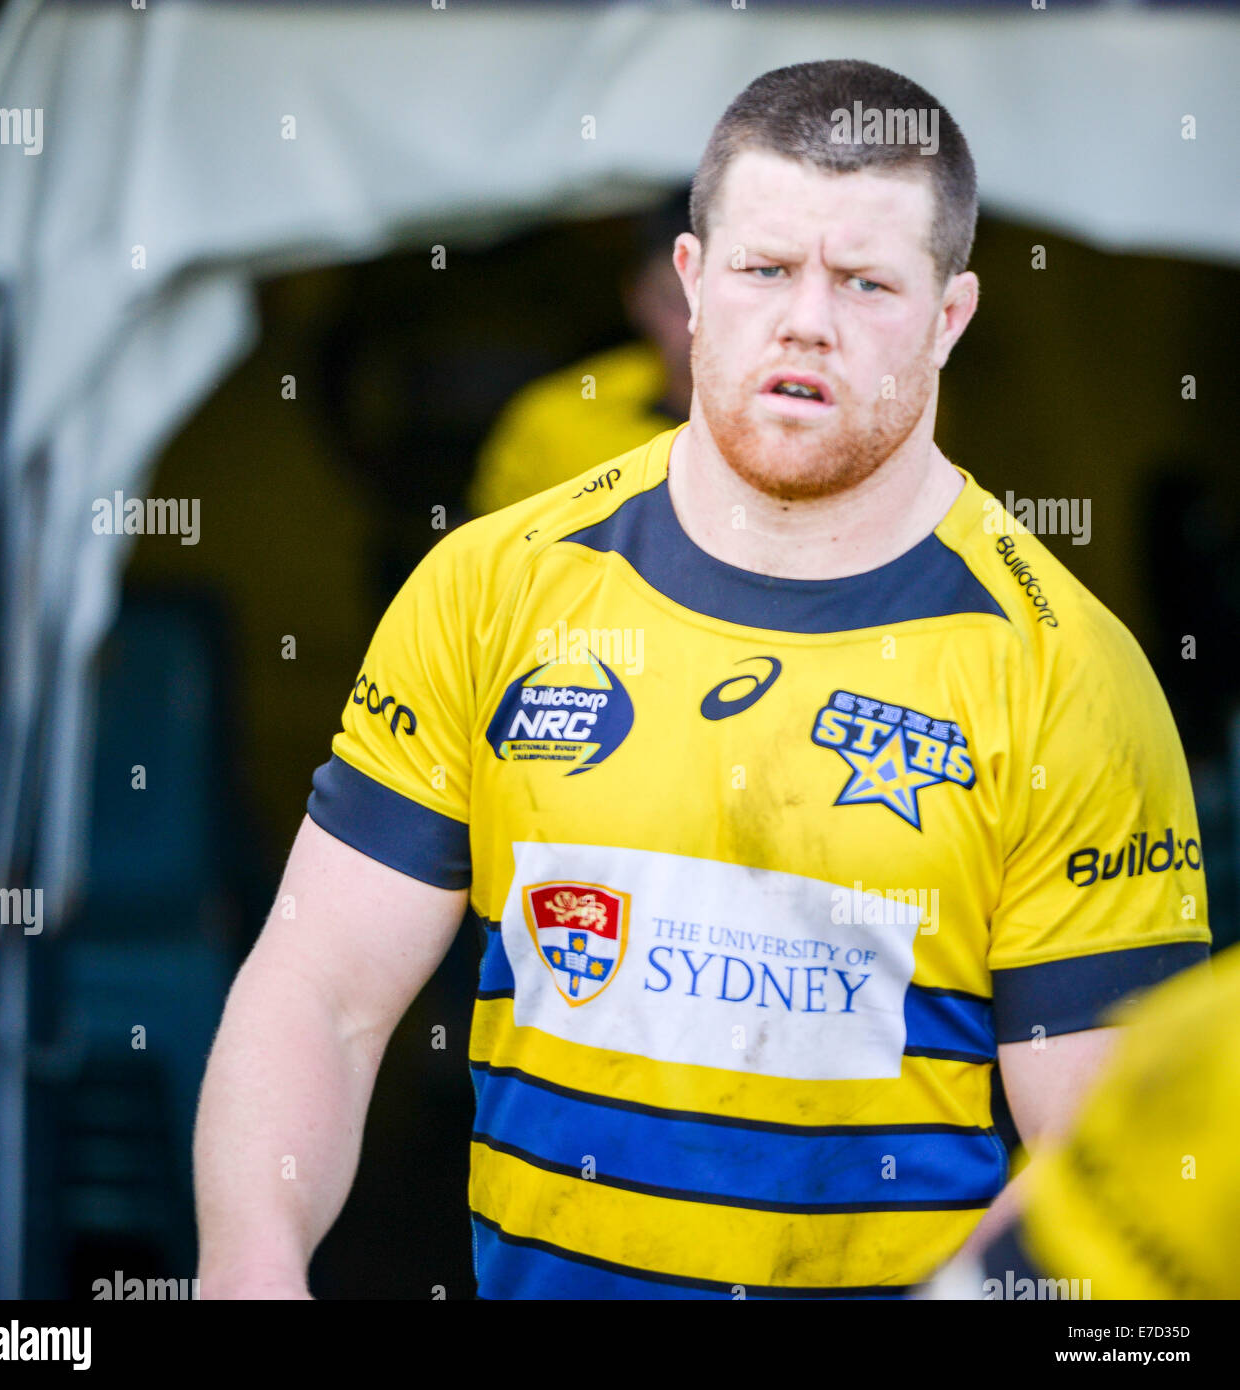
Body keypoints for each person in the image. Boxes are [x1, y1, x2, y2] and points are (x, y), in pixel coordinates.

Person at [192, 59, 1211, 1300]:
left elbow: (1096, 1152)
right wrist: (248, 1262)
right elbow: (319, 990)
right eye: (764, 269)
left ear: (950, 315)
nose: (807, 321)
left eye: (867, 283)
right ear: (688, 280)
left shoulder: (1069, 677)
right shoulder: (490, 586)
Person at [919, 945, 1237, 1300]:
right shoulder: (1214, 1009)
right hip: (1036, 1251)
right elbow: (1056, 1157)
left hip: (1026, 1259)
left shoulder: (1211, 1005)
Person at [464, 186, 694, 518]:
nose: (699, 323)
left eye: (724, 299)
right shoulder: (556, 421)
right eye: (678, 301)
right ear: (637, 298)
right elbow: (490, 546)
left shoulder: (778, 421)